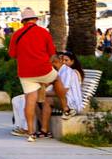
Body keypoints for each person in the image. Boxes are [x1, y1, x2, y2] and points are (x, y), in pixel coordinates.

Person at [8, 8, 67, 142]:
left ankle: (31, 133)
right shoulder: (43, 32)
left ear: (23, 21)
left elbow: (12, 54)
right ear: (35, 20)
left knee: (30, 100)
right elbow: (52, 52)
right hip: (43, 69)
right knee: (56, 79)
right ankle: (66, 107)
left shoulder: (17, 34)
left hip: (25, 72)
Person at [13, 52, 84, 135]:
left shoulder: (67, 71)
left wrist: (42, 94)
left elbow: (63, 91)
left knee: (46, 100)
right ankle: (43, 129)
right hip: (63, 100)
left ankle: (44, 130)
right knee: (33, 101)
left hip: (71, 103)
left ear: (54, 61)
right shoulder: (59, 71)